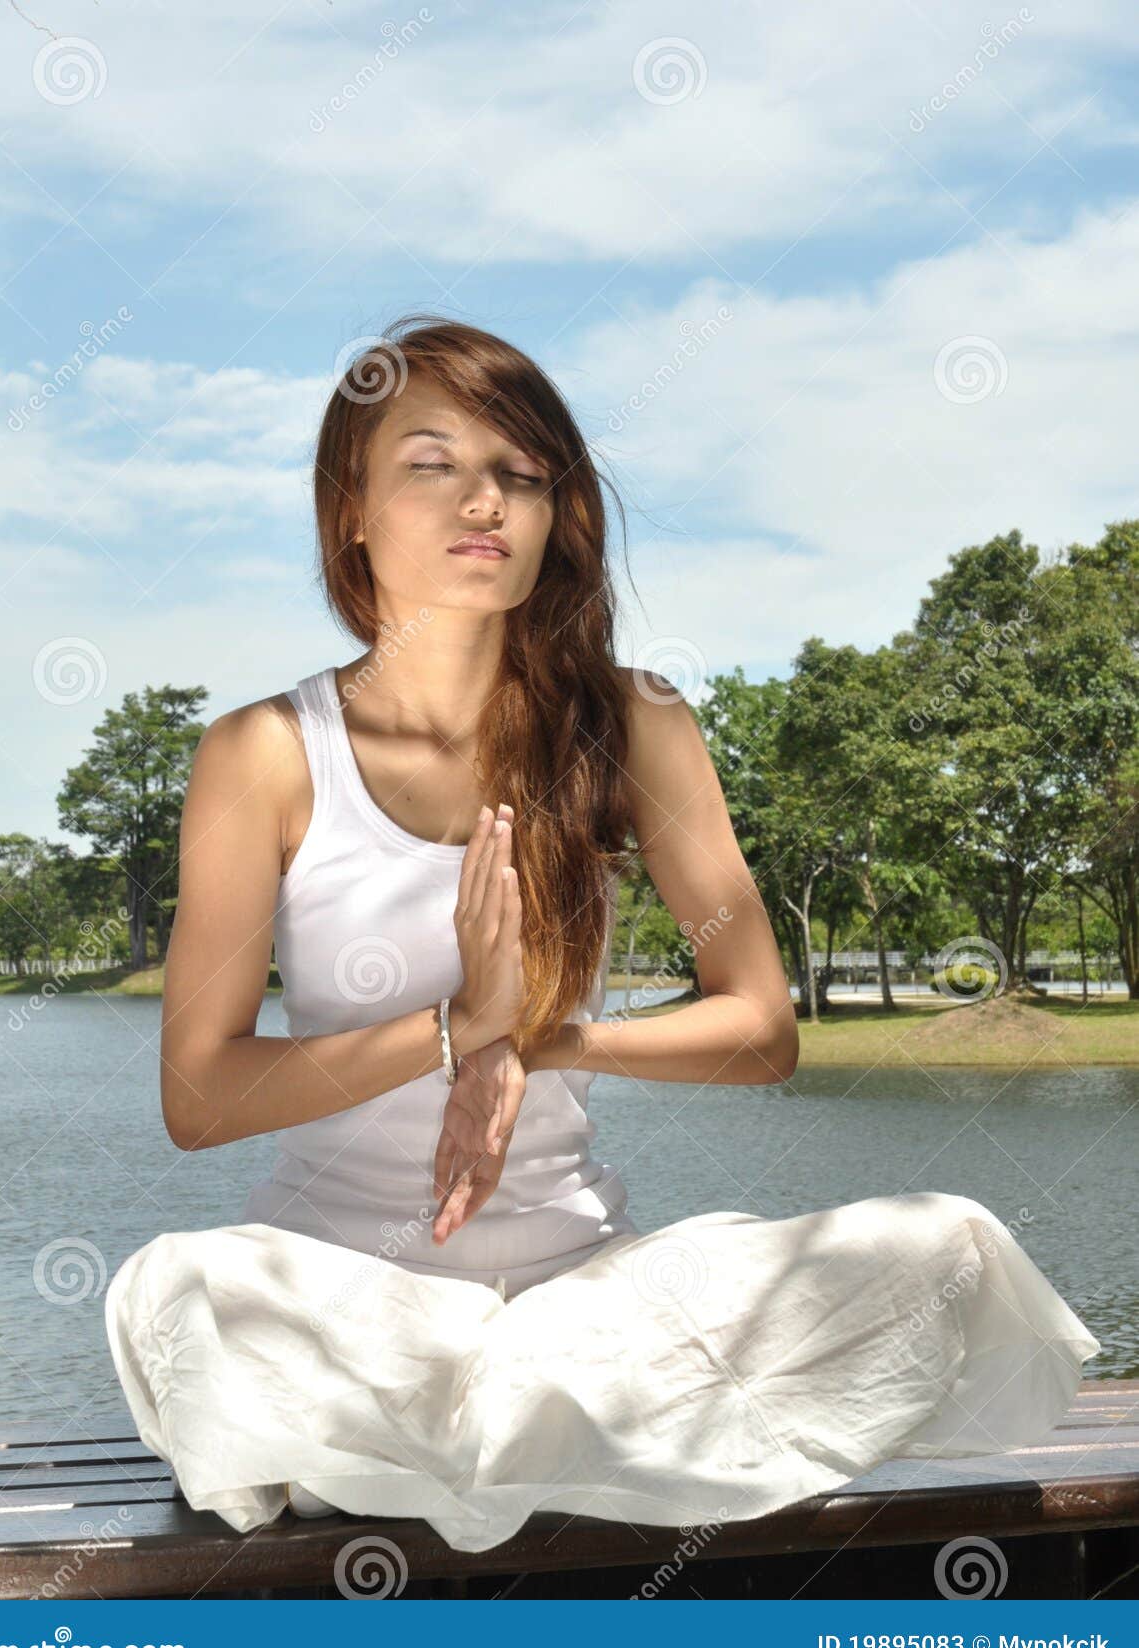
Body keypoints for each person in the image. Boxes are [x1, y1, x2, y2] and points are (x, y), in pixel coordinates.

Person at [104, 314, 1100, 1554]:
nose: (486, 500)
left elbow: (761, 1030)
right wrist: (452, 1027)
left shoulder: (633, 726)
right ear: (347, 509)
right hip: (348, 1297)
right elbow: (199, 1095)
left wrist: (539, 1039)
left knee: (945, 1246)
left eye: (522, 473)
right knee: (186, 1295)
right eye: (433, 464)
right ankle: (549, 1434)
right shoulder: (264, 753)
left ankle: (479, 1432)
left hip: (583, 1300)